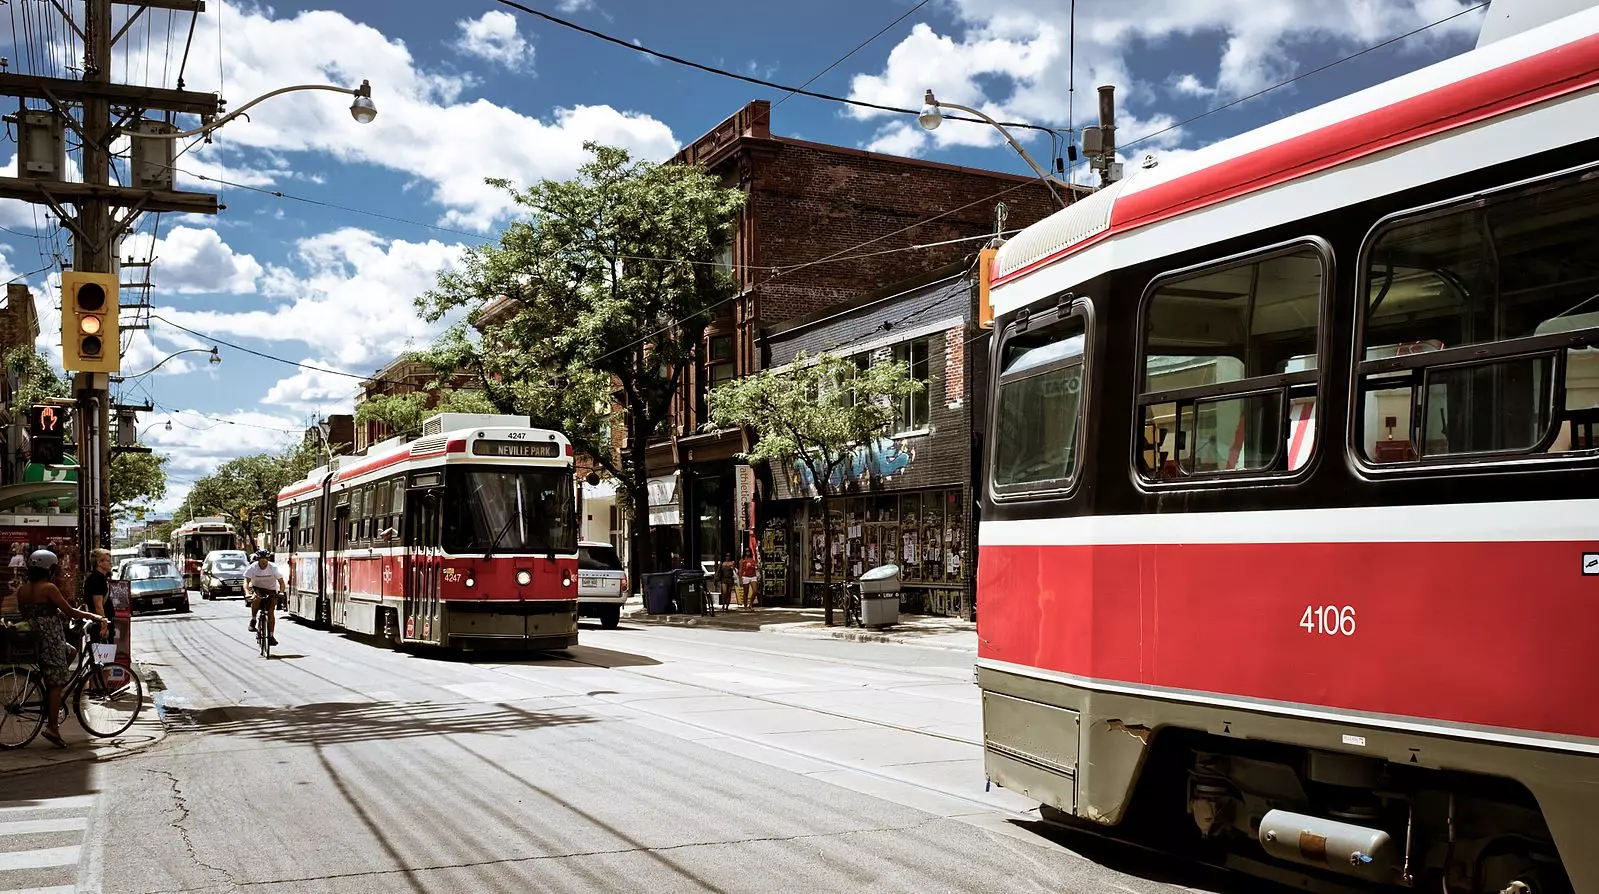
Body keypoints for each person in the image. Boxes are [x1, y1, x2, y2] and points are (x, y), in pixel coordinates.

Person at [16, 549, 107, 748]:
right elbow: (71, 612)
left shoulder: (22, 590)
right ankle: (53, 728)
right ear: (49, 569)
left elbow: (37, 612)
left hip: (34, 638)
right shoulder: (49, 588)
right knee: (57, 685)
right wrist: (95, 617)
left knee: (72, 652)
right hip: (50, 639)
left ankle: (53, 681)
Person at [242, 550, 286, 646]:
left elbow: (281, 582)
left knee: (270, 612)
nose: (263, 561)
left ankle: (271, 636)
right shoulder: (252, 568)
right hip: (257, 588)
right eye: (261, 559)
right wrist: (247, 593)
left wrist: (281, 592)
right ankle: (253, 619)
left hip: (271, 590)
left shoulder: (273, 568)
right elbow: (246, 581)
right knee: (256, 598)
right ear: (257, 560)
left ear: (268, 559)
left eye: (265, 559)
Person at [83, 548, 112, 618]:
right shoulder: (98, 579)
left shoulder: (99, 577)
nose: (110, 563)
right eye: (108, 561)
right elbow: (98, 606)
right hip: (100, 623)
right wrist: (103, 623)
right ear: (99, 563)